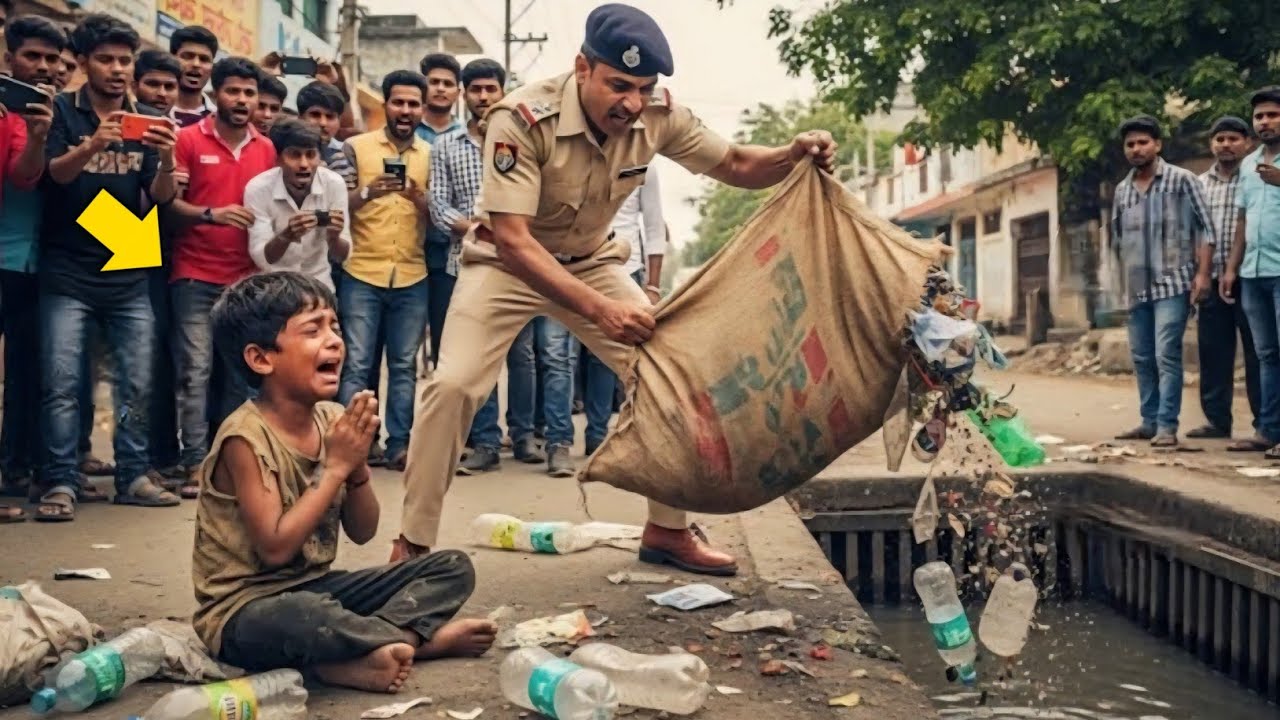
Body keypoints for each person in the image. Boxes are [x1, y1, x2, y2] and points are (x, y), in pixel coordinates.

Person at [391, 4, 837, 575]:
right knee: (451, 386)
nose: (631, 102)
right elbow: (514, 241)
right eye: (619, 85)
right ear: (583, 68)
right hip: (506, 265)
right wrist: (602, 310)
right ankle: (412, 544)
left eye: (643, 88)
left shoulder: (658, 115)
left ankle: (667, 531)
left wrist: (791, 154)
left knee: (671, 371)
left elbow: (734, 163)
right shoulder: (523, 118)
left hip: (591, 262)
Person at [193, 272, 496, 693]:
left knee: (451, 568)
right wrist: (335, 467)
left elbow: (363, 529)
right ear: (262, 359)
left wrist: (356, 471)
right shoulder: (245, 437)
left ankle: (379, 648)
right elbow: (276, 549)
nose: (335, 340)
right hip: (246, 610)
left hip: (316, 589)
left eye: (334, 327)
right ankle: (411, 643)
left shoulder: (332, 419)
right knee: (304, 615)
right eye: (313, 330)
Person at [38, 13, 180, 520]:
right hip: (66, 269)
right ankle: (60, 481)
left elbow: (159, 199)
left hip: (128, 269)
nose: (118, 69)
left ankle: (133, 475)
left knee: (135, 382)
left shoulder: (147, 118)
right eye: (106, 60)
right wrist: (94, 144)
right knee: (62, 381)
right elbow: (51, 176)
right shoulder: (62, 111)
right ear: (83, 64)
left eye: (125, 60)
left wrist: (165, 160)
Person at [168, 57, 277, 495]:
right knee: (194, 372)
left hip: (247, 281)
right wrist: (211, 214)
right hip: (194, 273)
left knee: (240, 375)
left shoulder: (268, 149)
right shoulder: (188, 140)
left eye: (250, 93)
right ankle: (194, 462)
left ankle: (231, 464)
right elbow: (166, 207)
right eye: (233, 91)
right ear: (215, 95)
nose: (242, 100)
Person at [430, 59, 543, 473]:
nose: (483, 96)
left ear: (502, 92)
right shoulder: (446, 145)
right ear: (465, 94)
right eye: (475, 89)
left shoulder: (523, 140)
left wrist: (511, 232)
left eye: (490, 89)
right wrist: (477, 229)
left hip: (521, 261)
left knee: (523, 354)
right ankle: (485, 443)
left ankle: (525, 435)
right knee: (478, 358)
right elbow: (438, 206)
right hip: (469, 264)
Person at [339, 70, 432, 473]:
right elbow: (336, 204)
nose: (406, 111)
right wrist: (368, 191)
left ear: (422, 109)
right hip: (361, 270)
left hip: (412, 273)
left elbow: (440, 216)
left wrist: (419, 198)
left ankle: (399, 444)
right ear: (386, 105)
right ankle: (353, 446)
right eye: (399, 102)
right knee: (358, 363)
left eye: (413, 104)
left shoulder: (432, 154)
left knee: (403, 366)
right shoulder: (355, 148)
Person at [1110, 115, 1215, 448]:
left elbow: (1207, 229)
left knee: (1165, 353)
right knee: (1141, 356)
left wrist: (1202, 275)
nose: (1137, 149)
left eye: (1143, 142)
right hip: (1136, 286)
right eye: (1131, 144)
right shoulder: (1122, 190)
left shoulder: (1183, 180)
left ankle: (1167, 426)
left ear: (1157, 145)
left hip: (1174, 282)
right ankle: (1149, 421)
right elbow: (1118, 239)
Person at [0, 14, 58, 520]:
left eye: (51, 60)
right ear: (9, 59)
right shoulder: (9, 116)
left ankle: (20, 470)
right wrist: (38, 136)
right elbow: (22, 177)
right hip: (4, 259)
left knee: (31, 376)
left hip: (43, 266)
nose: (43, 68)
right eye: (32, 57)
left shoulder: (69, 115)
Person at [581, 169, 666, 456]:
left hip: (626, 269)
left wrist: (653, 285)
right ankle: (568, 437)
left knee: (623, 357)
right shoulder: (579, 152)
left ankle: (604, 433)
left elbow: (655, 228)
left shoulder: (645, 164)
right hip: (576, 265)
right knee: (565, 357)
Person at [1189, 116, 1262, 447]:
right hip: (1211, 275)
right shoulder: (1200, 184)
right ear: (1211, 145)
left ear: (1247, 143)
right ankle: (1217, 420)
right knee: (1213, 350)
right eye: (1220, 139)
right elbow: (1195, 231)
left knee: (1257, 350)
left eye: (1233, 138)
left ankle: (1265, 422)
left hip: (1251, 275)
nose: (1226, 145)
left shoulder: (1253, 177)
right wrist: (1200, 274)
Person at [1223, 87, 1280, 459]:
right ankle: (1268, 430)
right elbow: (1242, 220)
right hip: (1253, 272)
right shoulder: (1248, 163)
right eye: (1259, 116)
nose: (1264, 122)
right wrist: (1231, 268)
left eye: (1272, 115)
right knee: (1265, 354)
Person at [246, 119, 351, 289]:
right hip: (274, 286)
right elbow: (262, 259)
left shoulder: (334, 183)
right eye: (294, 155)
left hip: (319, 283)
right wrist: (286, 236)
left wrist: (334, 237)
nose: (304, 164)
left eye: (310, 155)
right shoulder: (258, 188)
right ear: (278, 158)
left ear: (320, 157)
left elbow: (342, 256)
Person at [415, 52, 463, 366]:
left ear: (458, 91)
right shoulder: (408, 133)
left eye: (448, 83)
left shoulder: (466, 137)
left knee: (452, 342)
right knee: (405, 349)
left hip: (454, 250)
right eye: (434, 82)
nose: (440, 89)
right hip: (412, 249)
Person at [168, 25, 216, 127]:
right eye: (187, 56)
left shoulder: (219, 120)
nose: (196, 64)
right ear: (171, 59)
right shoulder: (149, 111)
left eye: (204, 59)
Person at [133, 49, 181, 114]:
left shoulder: (183, 124)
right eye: (153, 84)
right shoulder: (116, 121)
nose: (162, 93)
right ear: (134, 87)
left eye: (169, 86)